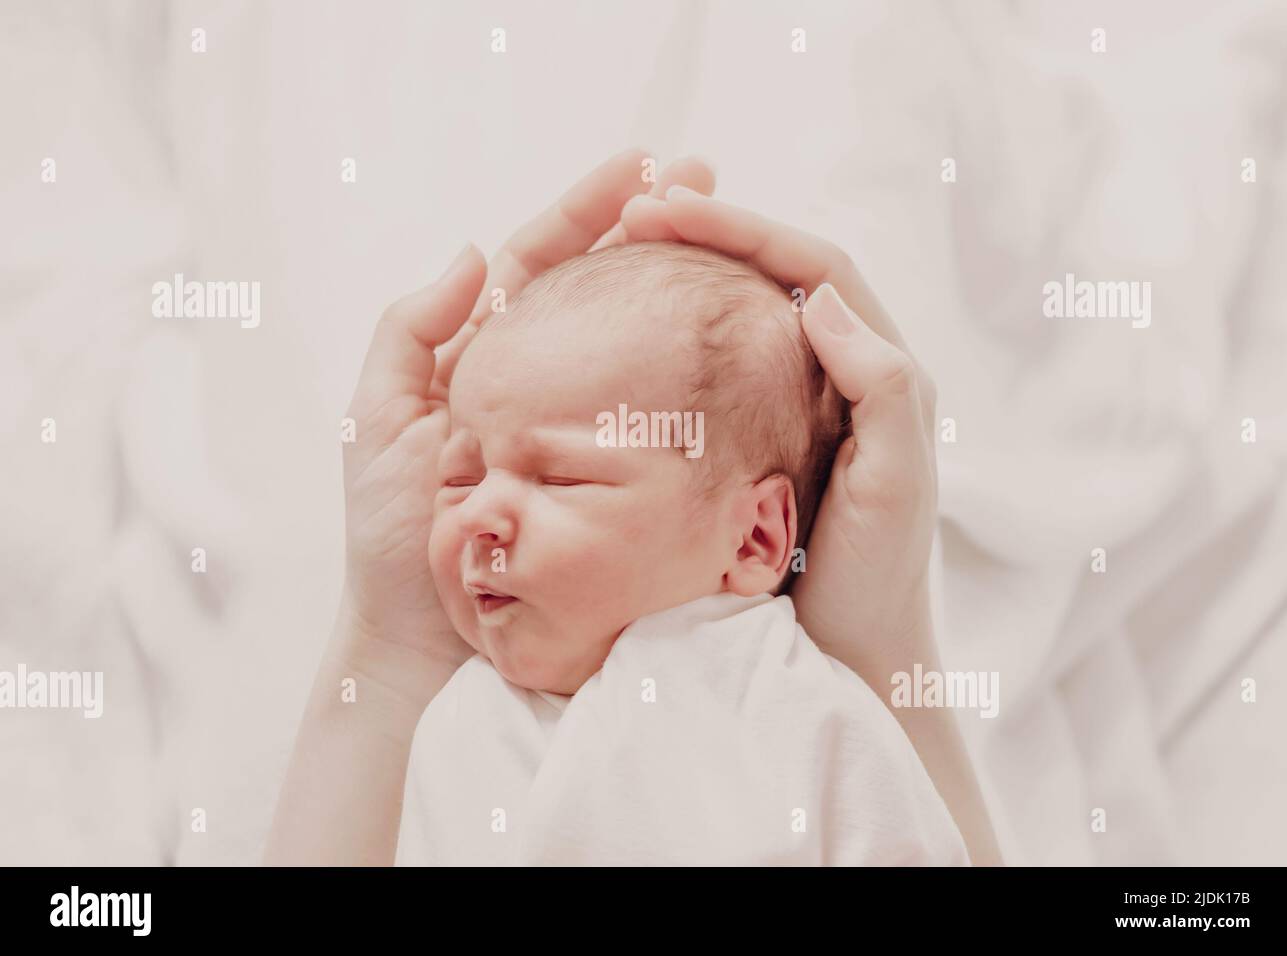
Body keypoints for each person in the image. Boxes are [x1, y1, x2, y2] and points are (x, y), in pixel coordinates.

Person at [264, 150, 1002, 867]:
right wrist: (386, 646)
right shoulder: (450, 730)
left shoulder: (813, 717)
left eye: (559, 478)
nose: (478, 515)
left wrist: (883, 647)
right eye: (460, 478)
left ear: (753, 536)